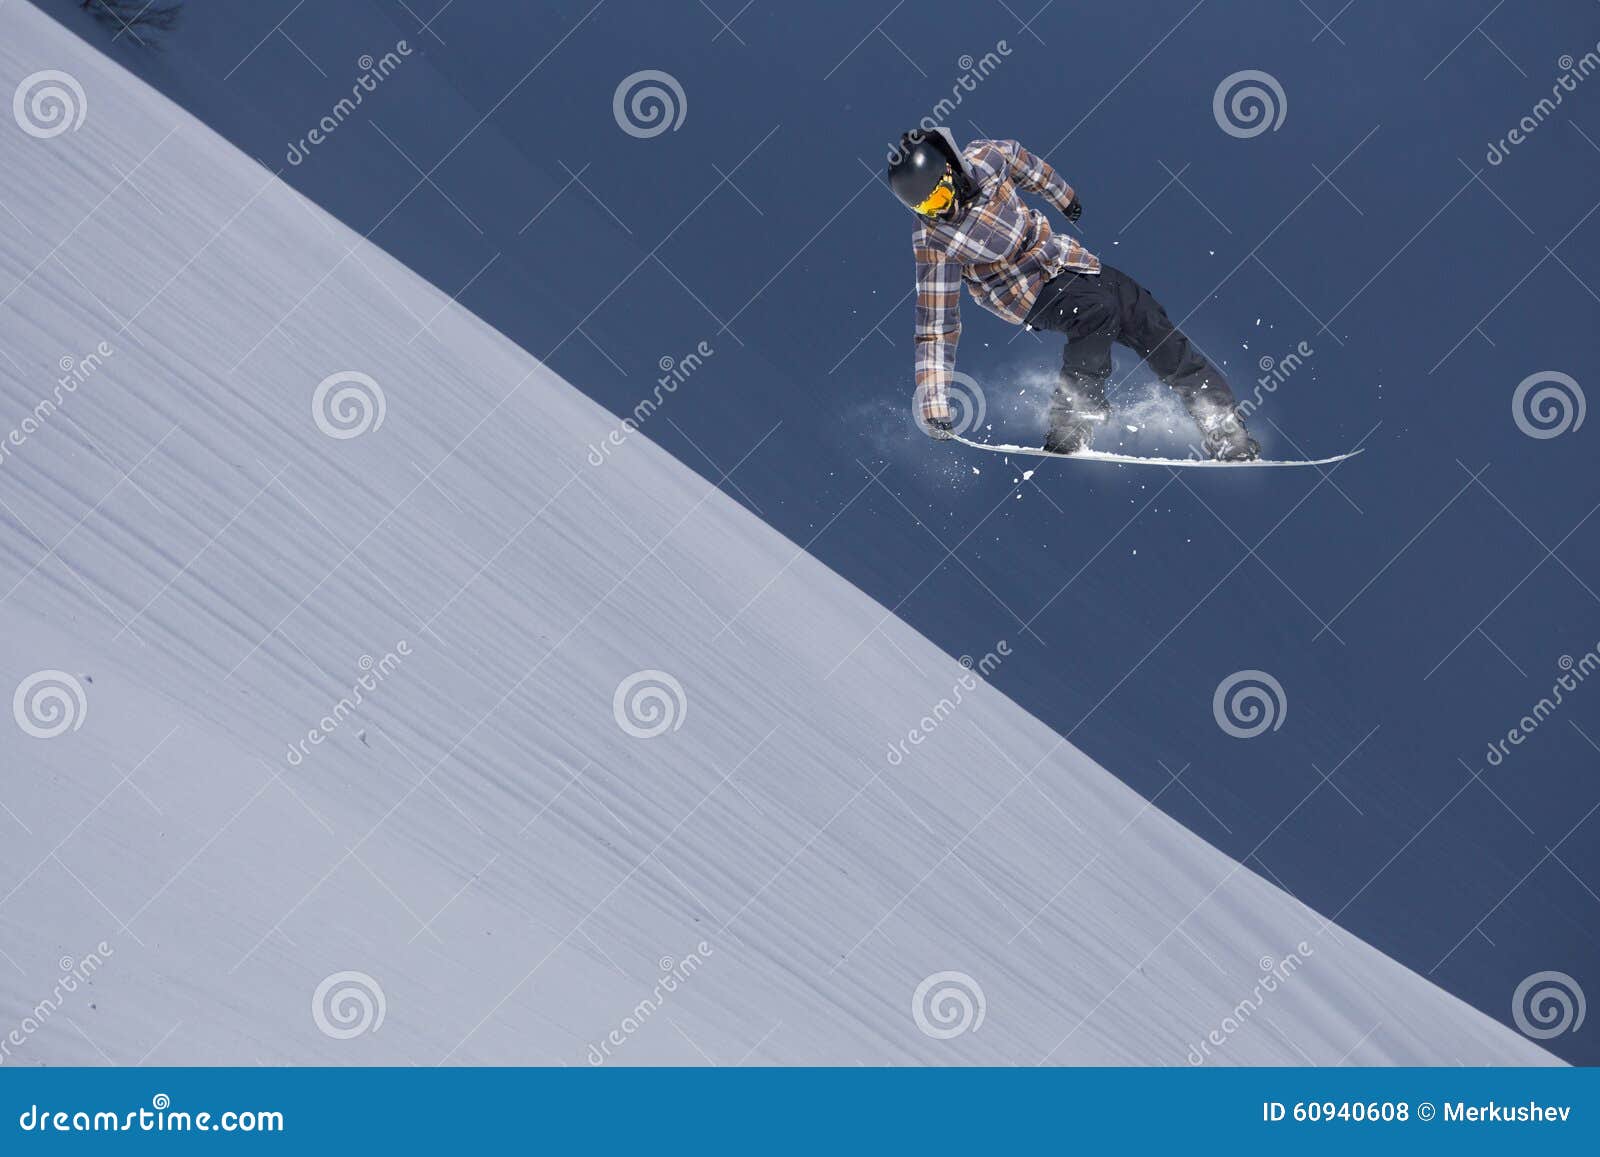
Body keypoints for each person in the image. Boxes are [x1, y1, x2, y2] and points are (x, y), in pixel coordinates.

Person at [887, 128, 1258, 461]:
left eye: (939, 197)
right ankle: (1071, 421)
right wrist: (933, 400)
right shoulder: (933, 239)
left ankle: (1223, 427)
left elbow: (1027, 165)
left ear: (951, 171)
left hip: (1066, 261)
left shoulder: (988, 158)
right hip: (1022, 290)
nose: (941, 211)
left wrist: (1065, 198)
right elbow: (936, 323)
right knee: (1096, 312)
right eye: (925, 208)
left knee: (1143, 312)